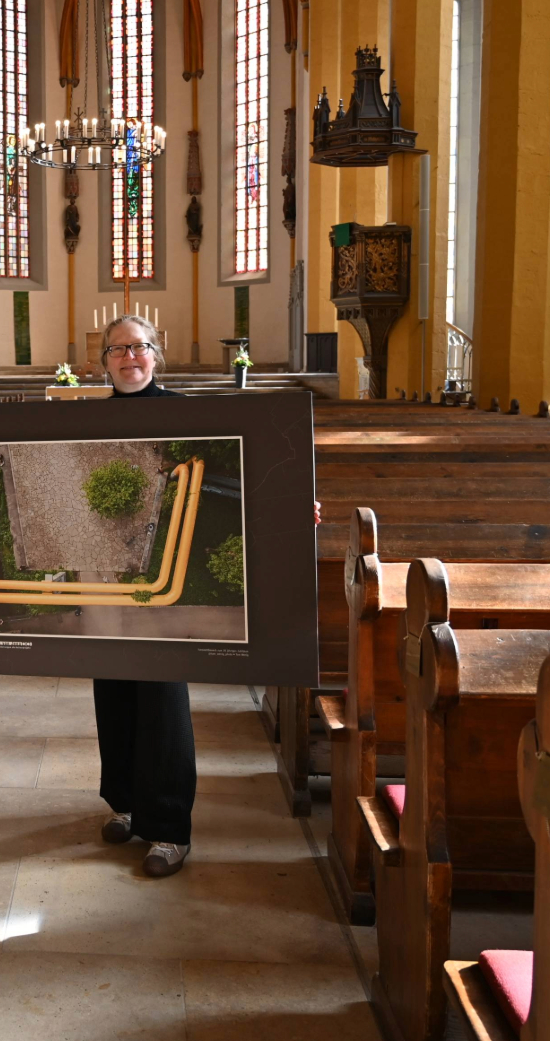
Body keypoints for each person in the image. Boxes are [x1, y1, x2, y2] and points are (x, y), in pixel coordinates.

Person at [94, 314, 318, 878]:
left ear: (156, 355)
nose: (130, 358)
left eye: (139, 347)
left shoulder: (190, 413)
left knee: (162, 697)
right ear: (104, 361)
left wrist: (289, 504)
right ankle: (123, 804)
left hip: (174, 570)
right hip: (105, 571)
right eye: (118, 349)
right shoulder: (85, 419)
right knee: (112, 689)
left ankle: (169, 828)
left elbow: (239, 470)